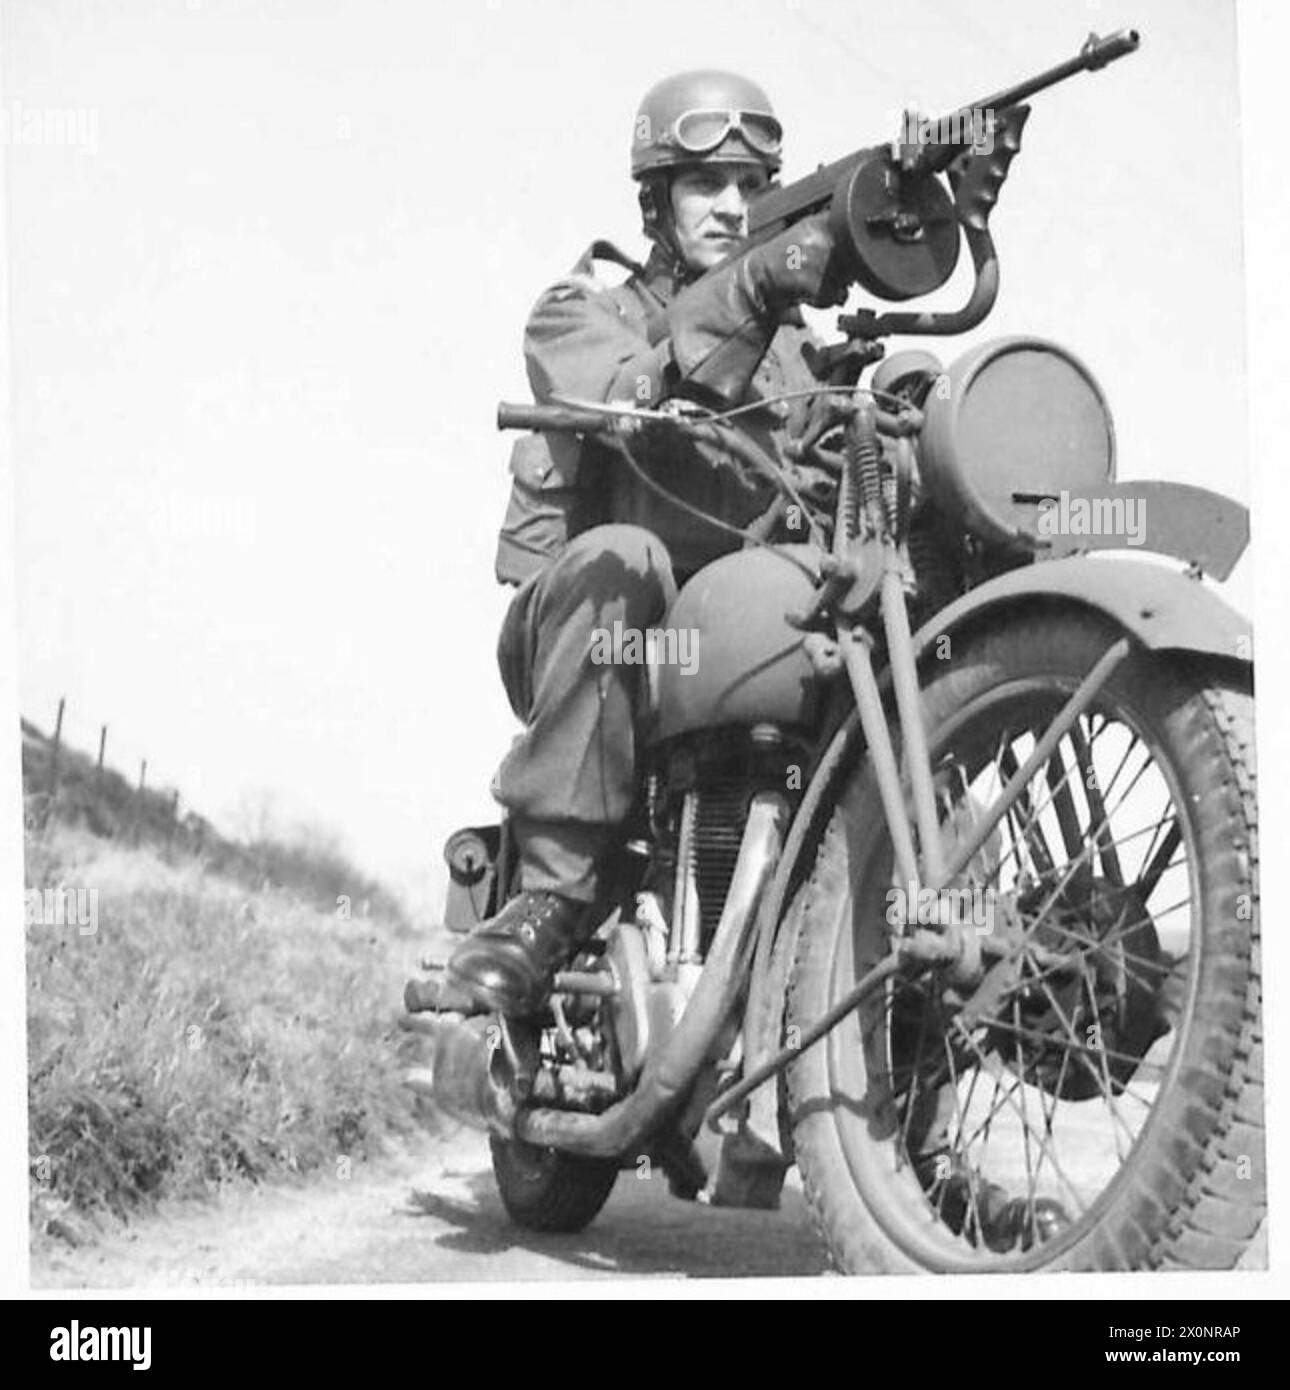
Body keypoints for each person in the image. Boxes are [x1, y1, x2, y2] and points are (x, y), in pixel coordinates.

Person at [444, 70, 845, 1016]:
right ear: (657, 198)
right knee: (627, 553)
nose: (735, 207)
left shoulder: (801, 355)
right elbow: (631, 395)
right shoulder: (583, 308)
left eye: (753, 188)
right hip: (606, 632)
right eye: (708, 184)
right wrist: (748, 291)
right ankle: (551, 892)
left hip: (747, 649)